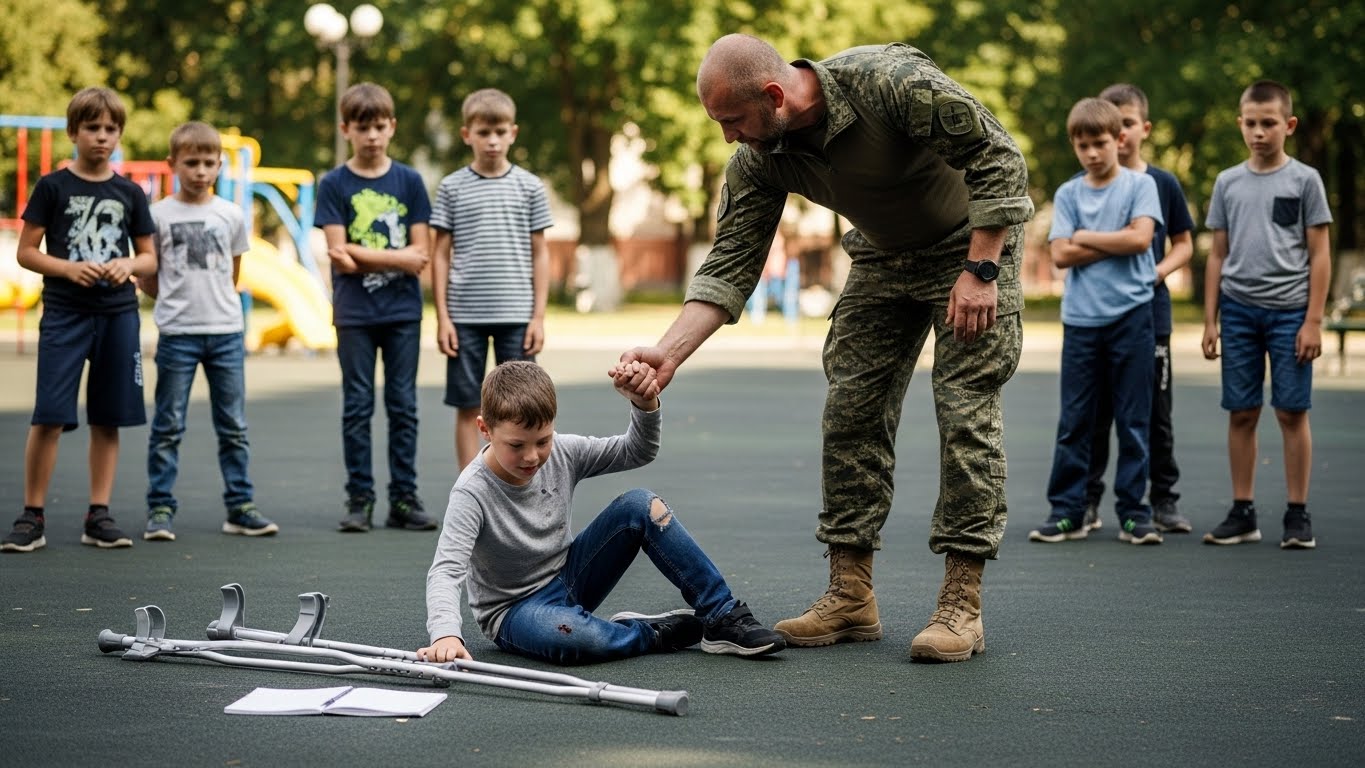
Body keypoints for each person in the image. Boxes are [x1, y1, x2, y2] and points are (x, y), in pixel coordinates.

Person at [619, 35, 1033, 663]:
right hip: (883, 257)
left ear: (776, 95)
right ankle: (850, 596)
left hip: (969, 247)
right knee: (851, 411)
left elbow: (1000, 157)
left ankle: (961, 604)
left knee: (965, 410)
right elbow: (731, 265)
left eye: (732, 121)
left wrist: (981, 271)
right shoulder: (762, 156)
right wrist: (668, 354)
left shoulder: (889, 82)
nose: (728, 137)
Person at [419, 360, 786, 665]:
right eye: (516, 445)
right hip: (514, 613)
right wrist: (446, 634)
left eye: (542, 441)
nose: (532, 456)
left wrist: (644, 405)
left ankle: (721, 614)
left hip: (570, 577)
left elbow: (636, 451)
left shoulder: (564, 451)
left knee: (642, 506)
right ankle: (648, 633)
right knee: (575, 639)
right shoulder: (472, 491)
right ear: (485, 429)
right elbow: (446, 570)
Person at [1, 87, 157, 553]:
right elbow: (26, 251)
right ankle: (32, 515)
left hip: (118, 314)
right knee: (49, 415)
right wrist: (69, 268)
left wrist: (126, 266)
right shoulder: (53, 186)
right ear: (74, 132)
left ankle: (99, 514)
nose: (102, 137)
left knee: (107, 418)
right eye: (92, 128)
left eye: (111, 129)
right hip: (66, 314)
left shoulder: (130, 192)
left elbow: (149, 259)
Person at [1200, 80, 1332, 550]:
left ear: (1288, 126)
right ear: (1240, 124)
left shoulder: (1305, 181)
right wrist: (1211, 319)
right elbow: (1217, 254)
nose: (1259, 132)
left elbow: (1319, 254)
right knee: (1241, 411)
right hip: (1238, 311)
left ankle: (1297, 513)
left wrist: (1312, 319)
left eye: (1269, 123)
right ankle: (1243, 511)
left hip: (1291, 313)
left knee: (1292, 411)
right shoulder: (1228, 182)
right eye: (1251, 123)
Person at [1029, 97, 1165, 546]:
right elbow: (1061, 254)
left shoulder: (1140, 186)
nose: (1091, 153)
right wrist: (1115, 239)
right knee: (1075, 419)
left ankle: (1134, 513)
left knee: (1133, 418)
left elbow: (1142, 239)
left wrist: (1084, 236)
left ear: (1120, 139)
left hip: (1132, 317)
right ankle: (1068, 511)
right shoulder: (1069, 193)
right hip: (1082, 323)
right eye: (1082, 145)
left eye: (1100, 143)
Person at [139, 121, 277, 542]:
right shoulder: (157, 214)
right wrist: (173, 300)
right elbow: (149, 276)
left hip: (225, 333)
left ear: (219, 165)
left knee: (233, 425)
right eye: (191, 162)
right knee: (168, 423)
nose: (200, 171)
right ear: (173, 164)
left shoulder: (230, 215)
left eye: (208, 163)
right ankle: (160, 506)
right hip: (178, 333)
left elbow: (233, 272)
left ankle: (240, 505)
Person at [315, 82, 435, 533]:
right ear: (346, 128)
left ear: (392, 127)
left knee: (403, 405)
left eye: (380, 126)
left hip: (402, 313)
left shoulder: (408, 181)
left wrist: (363, 254)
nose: (372, 136)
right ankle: (359, 499)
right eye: (362, 127)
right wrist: (397, 258)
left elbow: (420, 254)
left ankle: (403, 498)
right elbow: (336, 252)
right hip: (355, 315)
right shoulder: (334, 184)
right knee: (357, 405)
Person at [1080, 84, 1195, 535]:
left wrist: (1156, 272)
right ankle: (1088, 501)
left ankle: (1163, 499)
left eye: (1128, 123)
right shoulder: (1089, 186)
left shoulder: (1162, 183)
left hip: (1149, 317)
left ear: (1143, 128)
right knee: (1095, 413)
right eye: (1113, 124)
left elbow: (1183, 245)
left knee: (1153, 413)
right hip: (1099, 317)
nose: (1121, 133)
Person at [430, 88, 553, 471]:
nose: (493, 140)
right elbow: (439, 254)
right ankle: (472, 488)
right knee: (469, 404)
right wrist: (443, 317)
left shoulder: (530, 187)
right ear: (467, 135)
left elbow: (540, 253)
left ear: (513, 133)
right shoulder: (451, 187)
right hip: (465, 316)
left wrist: (538, 316)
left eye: (500, 131)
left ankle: (518, 486)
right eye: (484, 132)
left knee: (522, 405)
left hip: (516, 315)